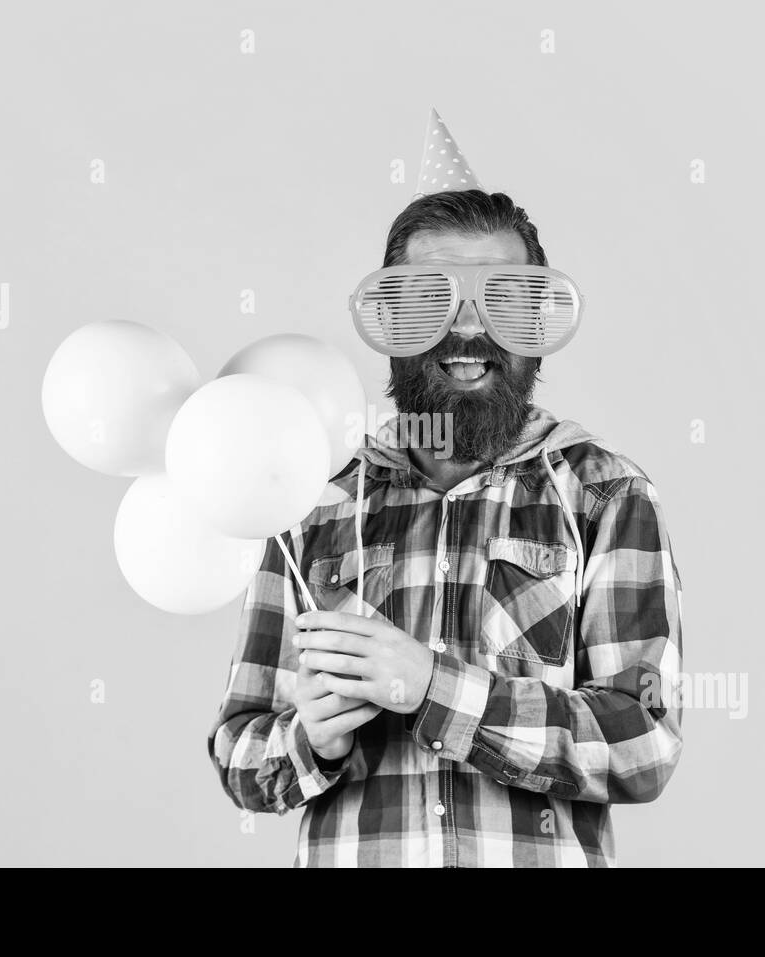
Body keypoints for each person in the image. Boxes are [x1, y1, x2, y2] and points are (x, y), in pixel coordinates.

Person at [209, 111, 684, 867]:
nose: (467, 331)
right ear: (393, 320)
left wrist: (433, 687)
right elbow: (240, 752)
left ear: (532, 321)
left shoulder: (605, 495)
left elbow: (643, 746)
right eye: (432, 300)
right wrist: (310, 739)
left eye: (499, 300)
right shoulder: (309, 497)